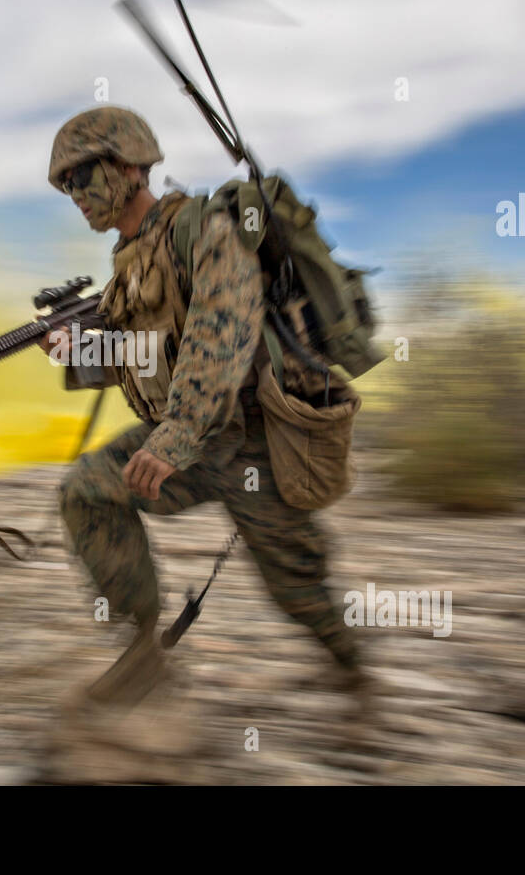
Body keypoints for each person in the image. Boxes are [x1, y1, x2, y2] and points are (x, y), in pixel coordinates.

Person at [42, 105, 368, 705]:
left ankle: (352, 669)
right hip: (185, 444)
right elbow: (144, 357)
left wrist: (173, 438)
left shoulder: (206, 229)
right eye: (66, 186)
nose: (75, 195)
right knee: (87, 491)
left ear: (128, 166)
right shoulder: (128, 265)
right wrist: (74, 351)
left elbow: (222, 337)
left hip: (252, 444)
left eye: (82, 177)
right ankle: (144, 652)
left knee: (296, 587)